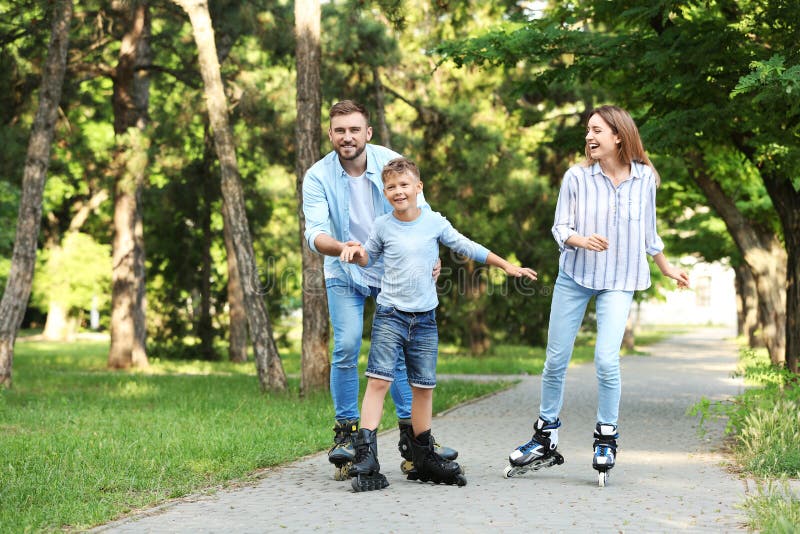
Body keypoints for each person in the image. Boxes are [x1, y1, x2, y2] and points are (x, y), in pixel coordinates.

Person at [503, 105, 690, 487]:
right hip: (575, 276)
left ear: (619, 136)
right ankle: (545, 435)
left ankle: (606, 437)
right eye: (588, 131)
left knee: (606, 360)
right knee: (556, 360)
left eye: (596, 130)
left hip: (621, 279)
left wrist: (667, 268)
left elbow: (649, 235)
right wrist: (581, 240)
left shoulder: (645, 179)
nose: (589, 137)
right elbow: (560, 227)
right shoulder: (576, 177)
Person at [340, 157, 538, 491]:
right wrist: (354, 252)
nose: (398, 192)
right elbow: (369, 257)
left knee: (423, 386)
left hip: (425, 320)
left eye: (404, 185)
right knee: (379, 382)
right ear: (385, 192)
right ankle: (367, 454)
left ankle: (423, 455)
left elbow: (466, 245)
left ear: (419, 188)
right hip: (390, 315)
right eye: (391, 187)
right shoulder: (383, 225)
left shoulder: (433, 222)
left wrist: (507, 266)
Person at [302, 100, 456, 480]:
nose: (347, 137)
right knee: (347, 344)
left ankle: (414, 439)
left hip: (395, 272)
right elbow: (314, 232)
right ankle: (346, 433)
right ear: (331, 134)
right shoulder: (318, 176)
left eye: (355, 129)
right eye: (340, 130)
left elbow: (425, 216)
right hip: (344, 267)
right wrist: (344, 249)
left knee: (400, 352)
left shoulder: (391, 163)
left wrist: (432, 259)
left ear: (367, 133)